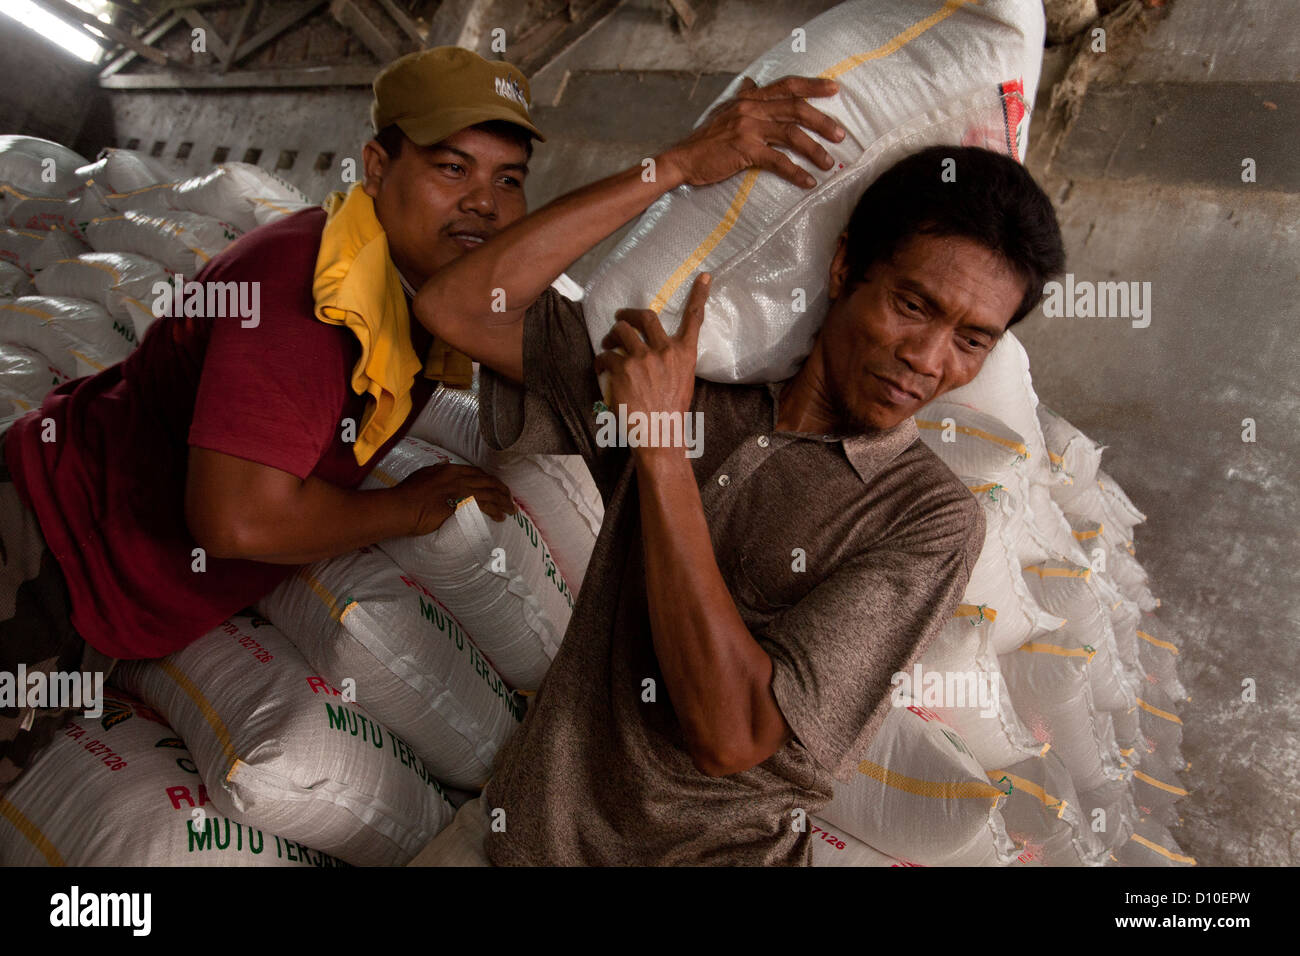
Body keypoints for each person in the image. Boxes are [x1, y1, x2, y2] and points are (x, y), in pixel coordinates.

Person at [0, 49, 841, 800]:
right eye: (451, 169)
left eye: (507, 181)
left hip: (88, 596)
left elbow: (487, 303)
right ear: (376, 165)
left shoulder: (392, 301)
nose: (481, 204)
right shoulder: (306, 293)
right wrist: (406, 506)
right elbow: (235, 518)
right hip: (38, 559)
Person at [407, 136, 1066, 865]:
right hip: (515, 837)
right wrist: (676, 165)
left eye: (972, 340)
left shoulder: (925, 518)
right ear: (845, 266)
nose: (930, 358)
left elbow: (730, 735)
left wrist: (659, 448)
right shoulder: (693, 378)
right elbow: (458, 305)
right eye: (912, 305)